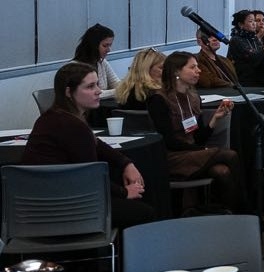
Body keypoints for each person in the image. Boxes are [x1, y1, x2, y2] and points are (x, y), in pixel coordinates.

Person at [22, 62, 157, 229]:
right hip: (65, 207)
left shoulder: (54, 117)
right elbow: (90, 176)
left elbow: (97, 144)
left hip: (41, 204)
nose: (99, 91)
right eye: (90, 86)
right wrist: (125, 193)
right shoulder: (71, 125)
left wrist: (126, 163)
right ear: (68, 92)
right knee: (145, 210)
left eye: (97, 84)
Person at [147, 51, 247, 213]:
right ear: (176, 71)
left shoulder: (193, 97)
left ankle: (229, 216)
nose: (198, 71)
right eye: (192, 67)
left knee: (223, 171)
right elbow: (168, 141)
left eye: (197, 67)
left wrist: (215, 119)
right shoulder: (159, 99)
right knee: (229, 155)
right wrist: (203, 151)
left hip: (193, 154)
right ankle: (245, 213)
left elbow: (198, 137)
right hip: (173, 156)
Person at [228, 9, 264, 86]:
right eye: (250, 21)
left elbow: (262, 57)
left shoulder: (253, 37)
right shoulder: (236, 39)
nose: (254, 24)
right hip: (246, 80)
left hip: (259, 76)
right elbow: (254, 58)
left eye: (254, 21)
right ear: (241, 24)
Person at [73, 23, 119, 90]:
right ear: (93, 45)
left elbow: (117, 84)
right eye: (105, 46)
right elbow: (92, 93)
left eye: (110, 45)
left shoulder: (102, 62)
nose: (109, 50)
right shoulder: (75, 67)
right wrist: (120, 92)